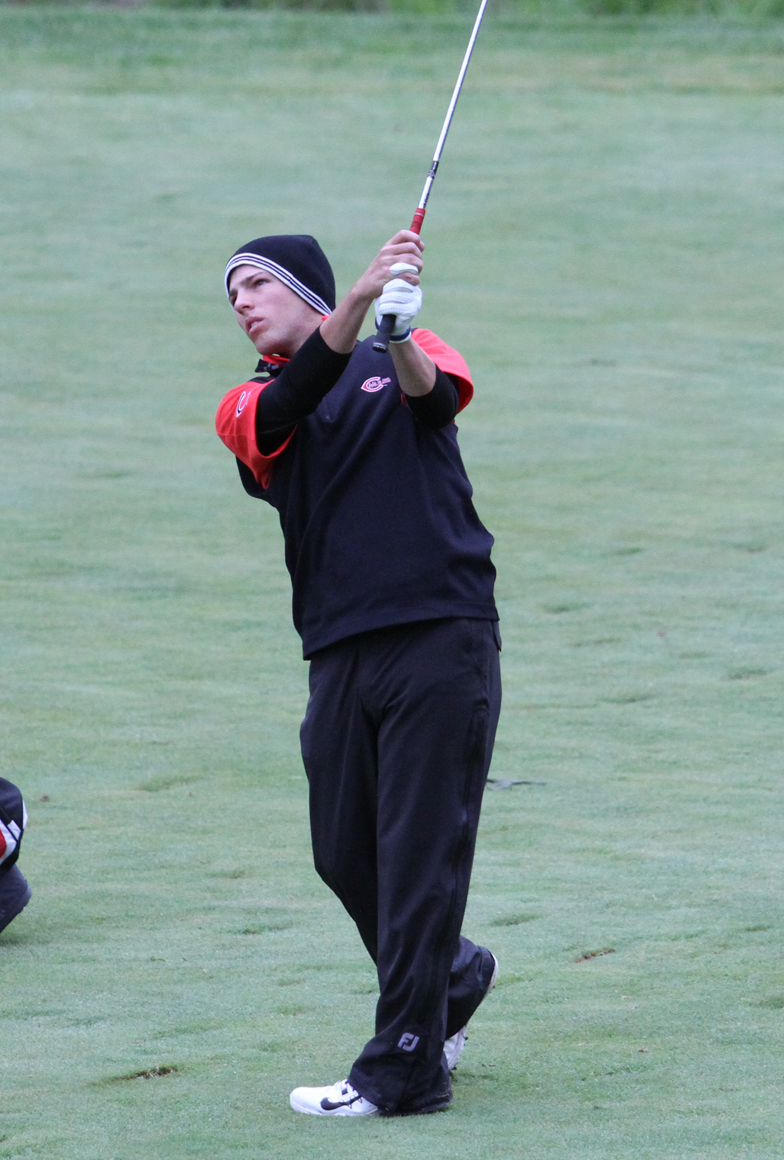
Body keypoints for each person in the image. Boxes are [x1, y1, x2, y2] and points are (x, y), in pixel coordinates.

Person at [214, 228, 502, 1117]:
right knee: (343, 852)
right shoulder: (249, 406)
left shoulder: (399, 353)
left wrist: (402, 333)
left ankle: (405, 1068)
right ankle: (449, 975)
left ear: (305, 289)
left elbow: (432, 403)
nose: (242, 304)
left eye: (256, 285)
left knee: (417, 858)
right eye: (233, 296)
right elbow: (287, 409)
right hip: (338, 651)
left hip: (440, 633)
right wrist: (357, 308)